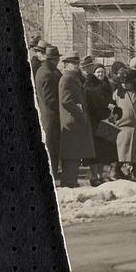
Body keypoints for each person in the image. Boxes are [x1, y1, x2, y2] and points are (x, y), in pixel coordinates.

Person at [58, 52, 95, 188]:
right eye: (73, 63)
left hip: (75, 121)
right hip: (72, 121)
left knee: (74, 154)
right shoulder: (67, 78)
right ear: (66, 64)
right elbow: (66, 101)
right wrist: (79, 113)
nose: (76, 66)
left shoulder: (72, 78)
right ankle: (69, 182)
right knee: (71, 155)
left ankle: (71, 181)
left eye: (77, 63)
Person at [82, 58, 117, 185]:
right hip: (94, 121)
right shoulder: (89, 86)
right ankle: (93, 176)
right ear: (94, 74)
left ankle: (101, 175)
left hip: (105, 120)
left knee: (103, 150)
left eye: (102, 72)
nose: (101, 75)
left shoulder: (107, 86)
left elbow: (111, 101)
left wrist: (112, 109)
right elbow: (91, 104)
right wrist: (106, 106)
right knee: (94, 150)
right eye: (98, 73)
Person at [112, 68, 136, 182]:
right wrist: (115, 120)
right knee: (123, 150)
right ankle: (115, 170)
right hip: (123, 126)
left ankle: (135, 170)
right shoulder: (118, 93)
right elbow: (112, 108)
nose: (124, 85)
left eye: (126, 83)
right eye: (122, 83)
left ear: (132, 82)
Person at [34, 45, 62, 178]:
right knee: (52, 147)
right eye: (57, 59)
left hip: (46, 115)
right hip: (51, 117)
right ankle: (52, 174)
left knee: (51, 146)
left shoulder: (42, 70)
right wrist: (61, 110)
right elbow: (50, 99)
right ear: (54, 59)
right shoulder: (48, 74)